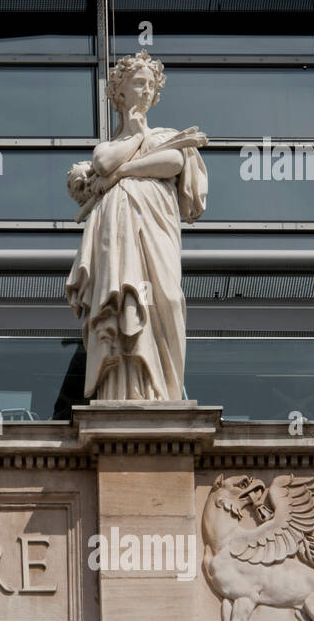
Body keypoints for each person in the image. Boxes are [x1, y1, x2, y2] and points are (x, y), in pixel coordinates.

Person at [64, 50, 208, 401]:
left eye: (150, 86)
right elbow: (103, 159)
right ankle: (123, 392)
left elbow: (172, 162)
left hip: (157, 227)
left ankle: (164, 391)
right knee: (121, 299)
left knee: (167, 300)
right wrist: (137, 140)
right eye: (138, 84)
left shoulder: (166, 136)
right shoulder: (114, 145)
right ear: (120, 92)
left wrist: (123, 172)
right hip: (119, 228)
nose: (145, 91)